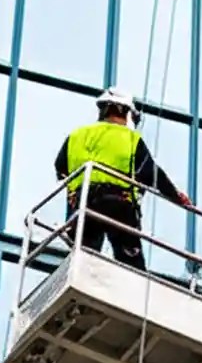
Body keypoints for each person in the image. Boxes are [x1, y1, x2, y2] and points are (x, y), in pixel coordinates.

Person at [54, 87, 191, 270]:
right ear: (126, 113)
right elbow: (151, 173)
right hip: (118, 204)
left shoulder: (77, 135)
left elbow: (60, 168)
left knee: (85, 257)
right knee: (131, 264)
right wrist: (175, 196)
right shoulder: (130, 139)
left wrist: (72, 191)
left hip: (83, 203)